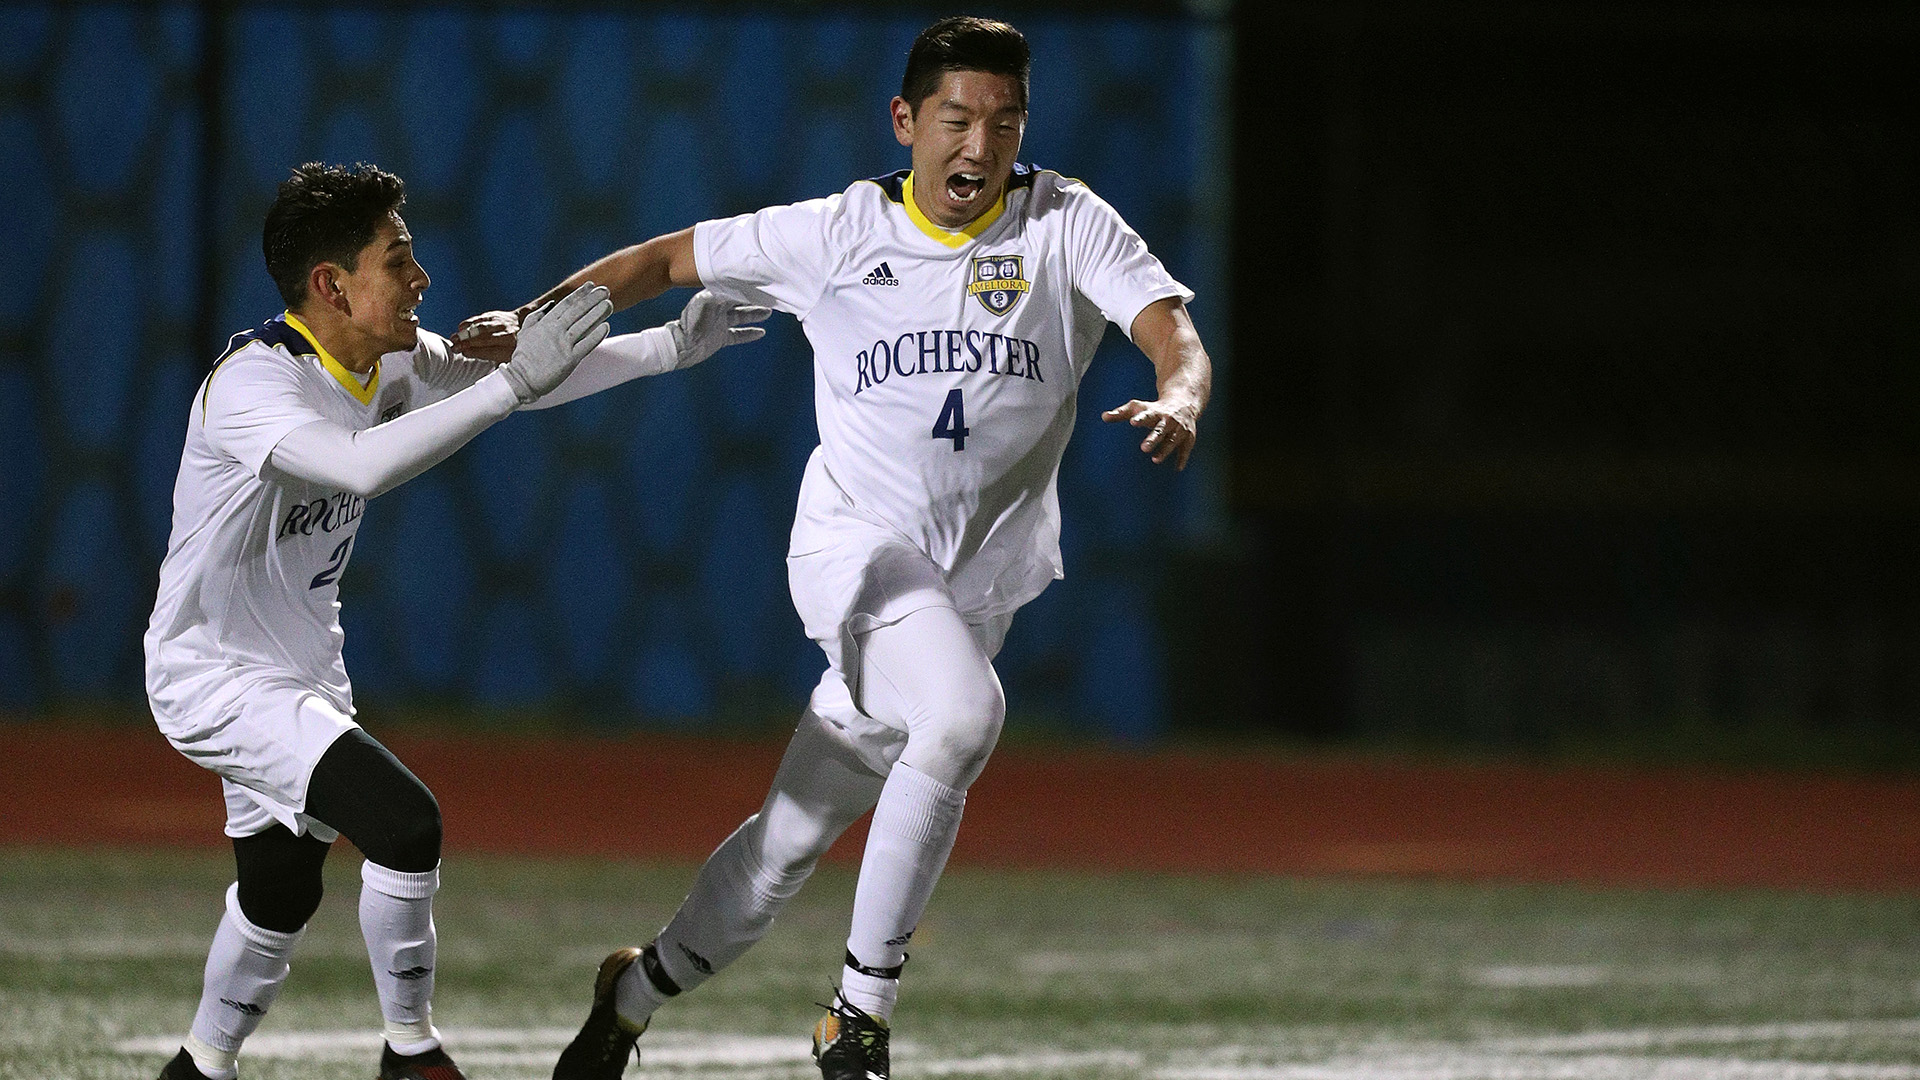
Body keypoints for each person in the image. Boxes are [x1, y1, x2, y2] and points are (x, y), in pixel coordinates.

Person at [456, 16, 1213, 1080]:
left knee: (782, 850)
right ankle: (857, 1017)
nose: (979, 146)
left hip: (964, 599)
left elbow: (1171, 330)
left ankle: (629, 992)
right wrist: (534, 317)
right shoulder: (837, 231)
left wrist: (1179, 394)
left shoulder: (1065, 221)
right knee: (961, 715)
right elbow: (664, 258)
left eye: (1004, 122)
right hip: (852, 557)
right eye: (956, 119)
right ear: (906, 122)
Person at [142, 161, 766, 1080]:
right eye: (398, 260)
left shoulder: (388, 359)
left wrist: (674, 344)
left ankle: (199, 1065)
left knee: (277, 893)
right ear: (330, 285)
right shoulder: (252, 383)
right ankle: (413, 1056)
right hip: (213, 676)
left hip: (305, 670)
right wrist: (506, 388)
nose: (420, 278)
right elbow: (359, 466)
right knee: (406, 824)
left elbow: (529, 373)